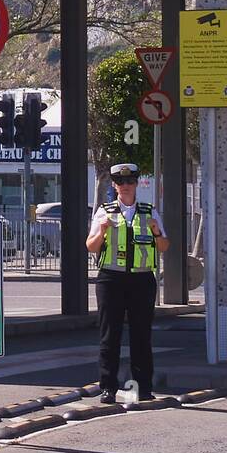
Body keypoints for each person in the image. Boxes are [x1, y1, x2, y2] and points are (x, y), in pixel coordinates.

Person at [86, 163, 169, 404]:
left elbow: (164, 247)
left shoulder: (149, 211)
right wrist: (101, 231)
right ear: (114, 184)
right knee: (109, 335)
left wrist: (156, 232)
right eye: (120, 182)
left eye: (129, 182)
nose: (125, 186)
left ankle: (143, 388)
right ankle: (108, 388)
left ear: (136, 184)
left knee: (141, 335)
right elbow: (90, 246)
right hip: (110, 279)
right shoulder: (104, 211)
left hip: (142, 279)